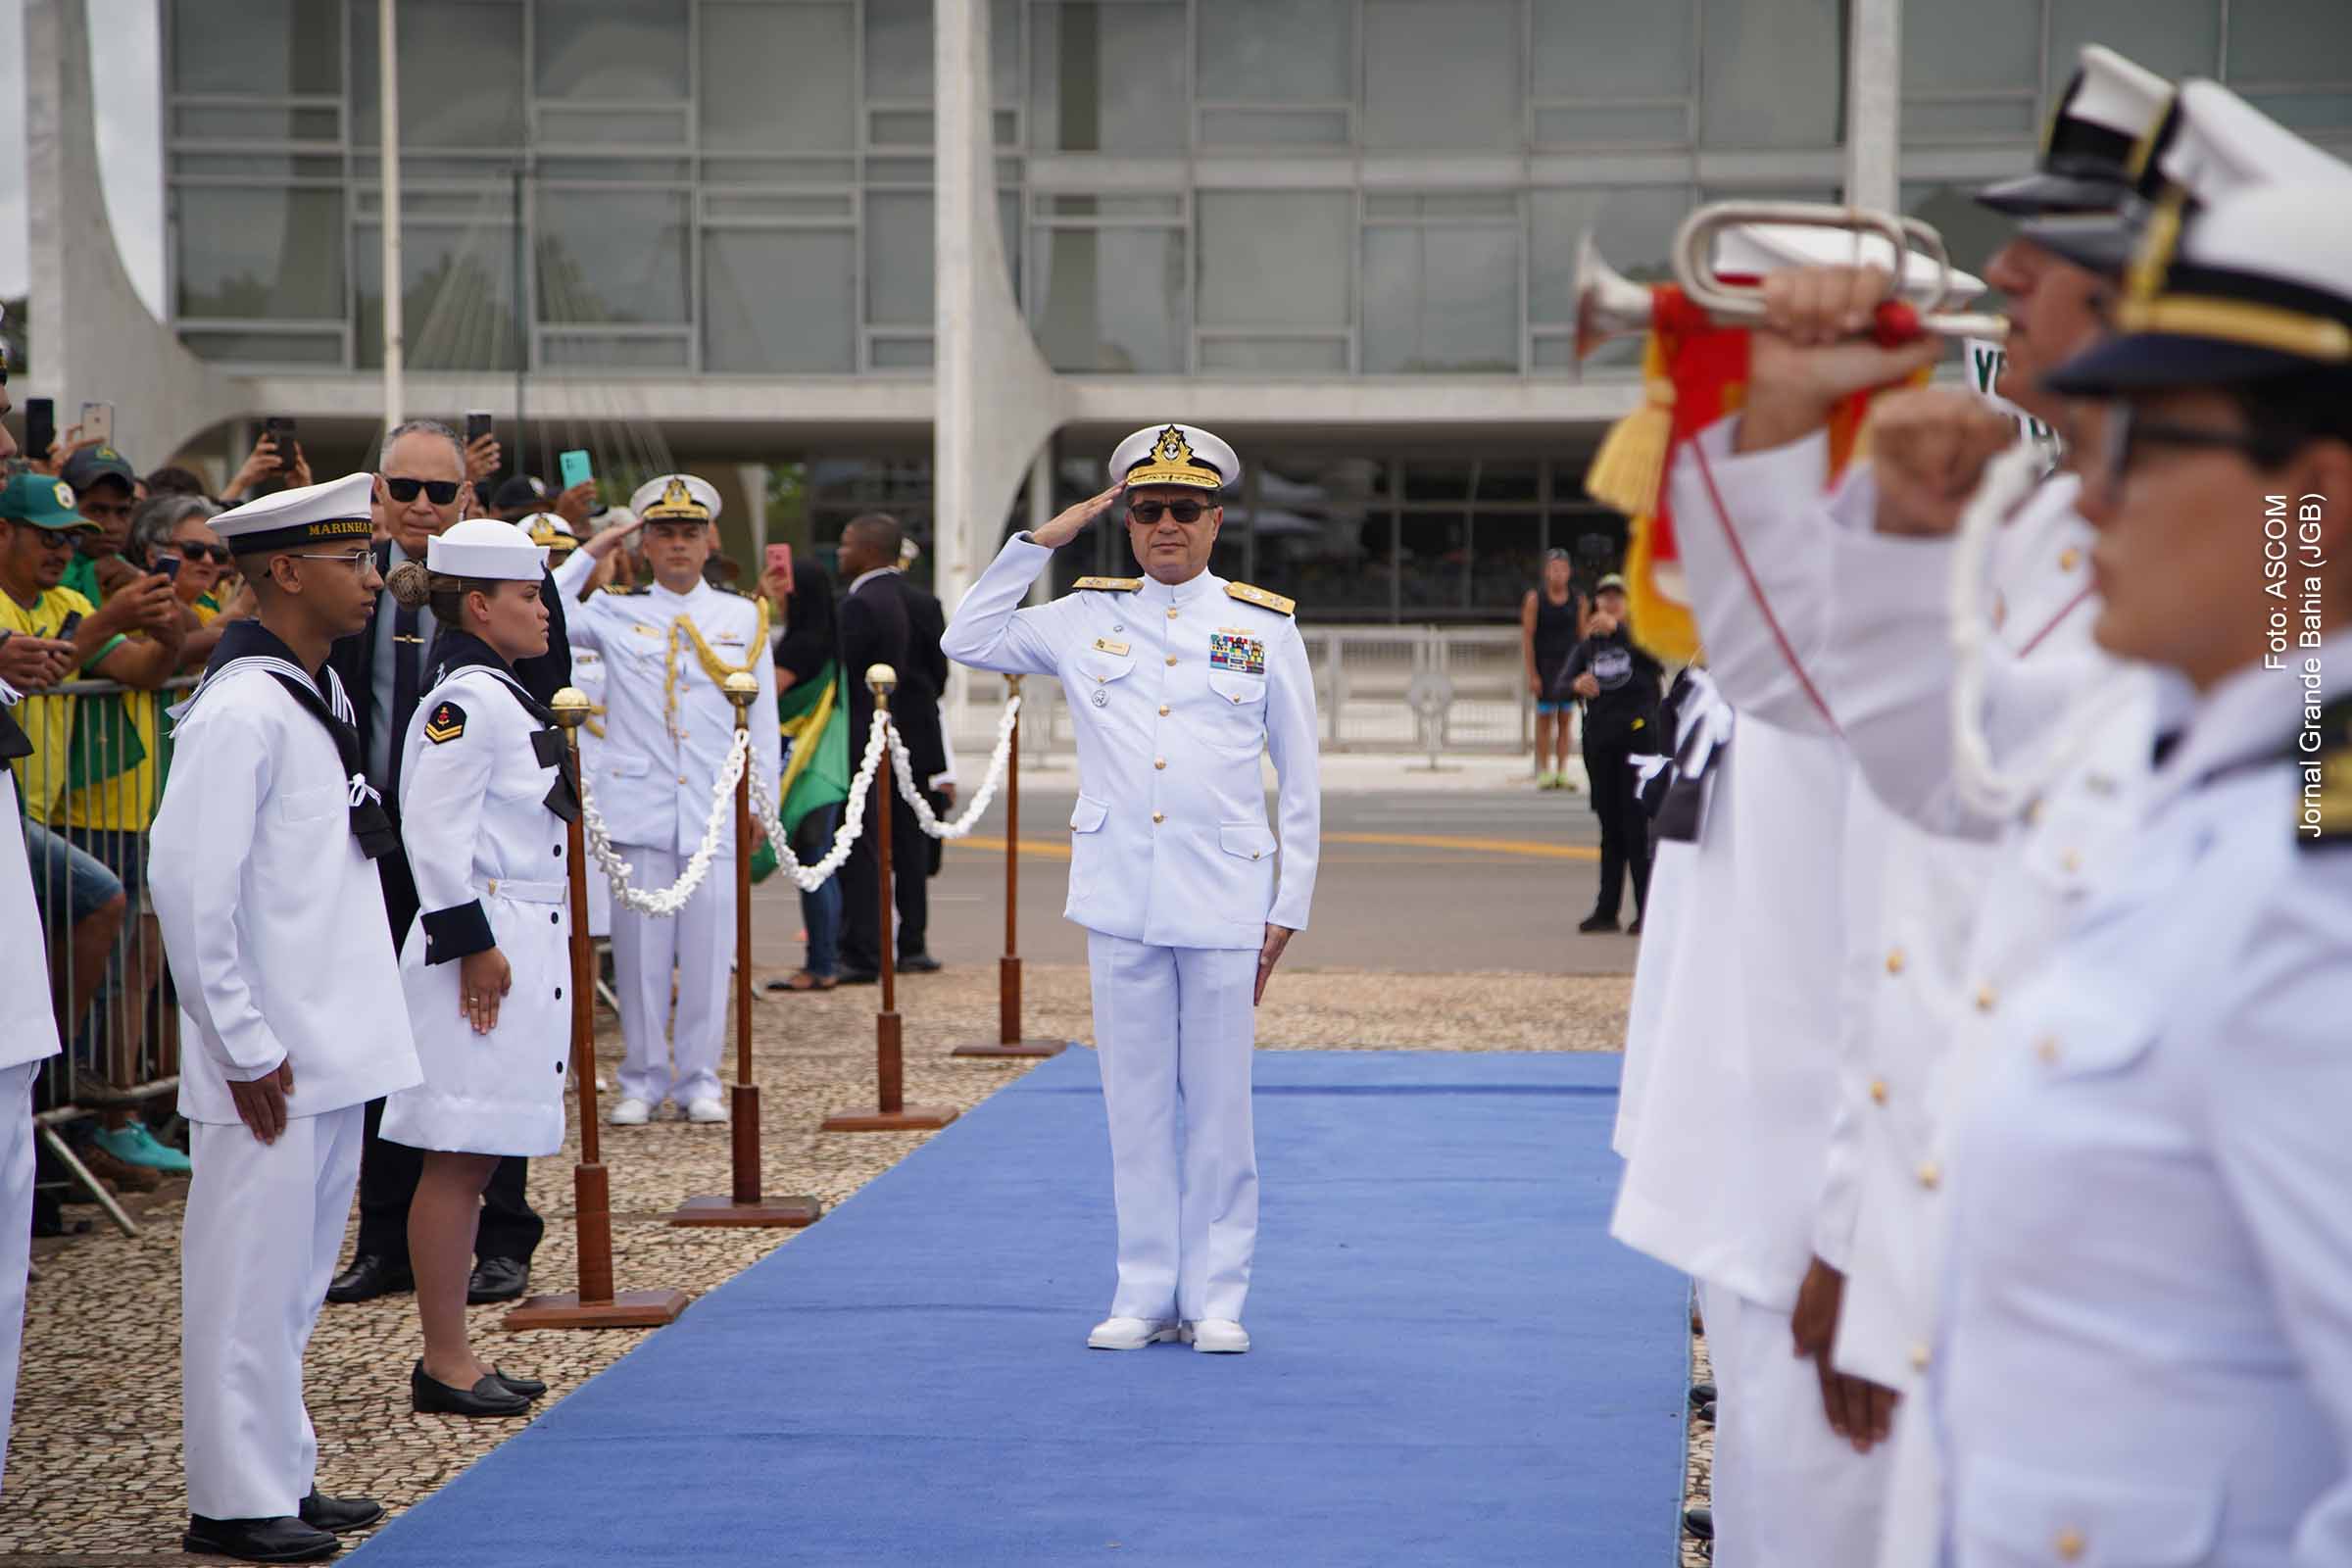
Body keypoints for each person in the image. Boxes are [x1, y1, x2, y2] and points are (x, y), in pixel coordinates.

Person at [1924, 176, 2352, 1565]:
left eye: (2147, 448)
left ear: (2316, 497)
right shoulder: (2223, 777)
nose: (2089, 493)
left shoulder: (2318, 893)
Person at [942, 422, 1320, 1355]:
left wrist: (1289, 906)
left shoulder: (1262, 626)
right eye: (1148, 509)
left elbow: (1302, 780)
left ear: (1216, 520)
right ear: (1128, 520)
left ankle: (1219, 1297)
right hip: (1121, 897)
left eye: (1184, 510)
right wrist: (1043, 540)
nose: (1165, 525)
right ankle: (1145, 1291)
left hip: (1228, 897)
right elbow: (967, 635)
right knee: (1136, 1106)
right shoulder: (1084, 615)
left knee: (1221, 1110)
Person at [148, 471, 418, 1563]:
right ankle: (232, 1495)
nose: (372, 576)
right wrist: (242, 1042)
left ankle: (281, 1473)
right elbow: (188, 883)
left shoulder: (318, 693)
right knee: (243, 1282)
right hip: (265, 1057)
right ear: (288, 573)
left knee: (292, 1283)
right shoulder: (243, 709)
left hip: (322, 1047)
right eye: (352, 562)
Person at [323, 419, 570, 1309]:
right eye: (406, 489)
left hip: (479, 864)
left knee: (482, 1073)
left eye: (440, 491)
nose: (422, 505)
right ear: (377, 491)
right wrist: (466, 931)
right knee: (416, 1062)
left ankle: (499, 1243)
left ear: (466, 496)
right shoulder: (352, 587)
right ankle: (390, 1242)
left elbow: (545, 717)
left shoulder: (506, 602)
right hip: (388, 847)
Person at [379, 519, 571, 1420]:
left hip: (513, 932)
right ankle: (444, 1361)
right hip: (481, 941)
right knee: (456, 1158)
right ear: (482, 605)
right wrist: (473, 946)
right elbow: (431, 830)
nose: (544, 611)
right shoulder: (463, 700)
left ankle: (454, 1352)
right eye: (531, 597)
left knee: (481, 1153)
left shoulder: (500, 690)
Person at [555, 474, 779, 1125]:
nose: (678, 546)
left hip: (711, 809)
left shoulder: (741, 617)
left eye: (689, 533)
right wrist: (592, 551)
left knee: (711, 953)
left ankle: (700, 1078)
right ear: (644, 545)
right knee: (640, 955)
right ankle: (643, 1079)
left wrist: (759, 803)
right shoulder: (614, 610)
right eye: (663, 534)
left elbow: (759, 721)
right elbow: (545, 608)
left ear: (710, 542)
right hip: (640, 808)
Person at [835, 514, 942, 981]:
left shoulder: (859, 603)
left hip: (871, 738)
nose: (840, 552)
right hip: (916, 735)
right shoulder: (923, 601)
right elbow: (938, 677)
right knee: (910, 844)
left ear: (868, 550)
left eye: (845, 543)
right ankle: (912, 943)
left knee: (866, 844)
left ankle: (864, 947)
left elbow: (843, 678)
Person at [761, 547, 851, 995]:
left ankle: (820, 963)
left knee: (813, 866)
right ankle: (824, 960)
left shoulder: (800, 644)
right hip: (822, 769)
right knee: (820, 867)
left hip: (804, 768)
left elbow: (761, 694)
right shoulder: (826, 635)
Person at [1559, 574, 1662, 934]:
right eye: (1605, 598)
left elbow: (1655, 662)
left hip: (1637, 745)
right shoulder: (1589, 646)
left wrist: (1620, 629)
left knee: (1638, 830)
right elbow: (1561, 681)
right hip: (1602, 746)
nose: (1610, 604)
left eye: (1617, 598)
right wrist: (1575, 684)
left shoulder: (1640, 639)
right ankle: (1606, 910)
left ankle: (1648, 911)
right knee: (1610, 831)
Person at [1521, 549, 1588, 790]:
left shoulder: (1578, 599)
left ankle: (1562, 770)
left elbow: (1583, 637)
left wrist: (1583, 670)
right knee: (1544, 720)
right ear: (1547, 572)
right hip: (1545, 667)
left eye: (1562, 568)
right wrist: (1532, 674)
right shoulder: (1535, 599)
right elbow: (1528, 637)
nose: (1558, 573)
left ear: (1569, 572)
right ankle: (1544, 770)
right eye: (1553, 568)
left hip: (1569, 669)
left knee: (1566, 720)